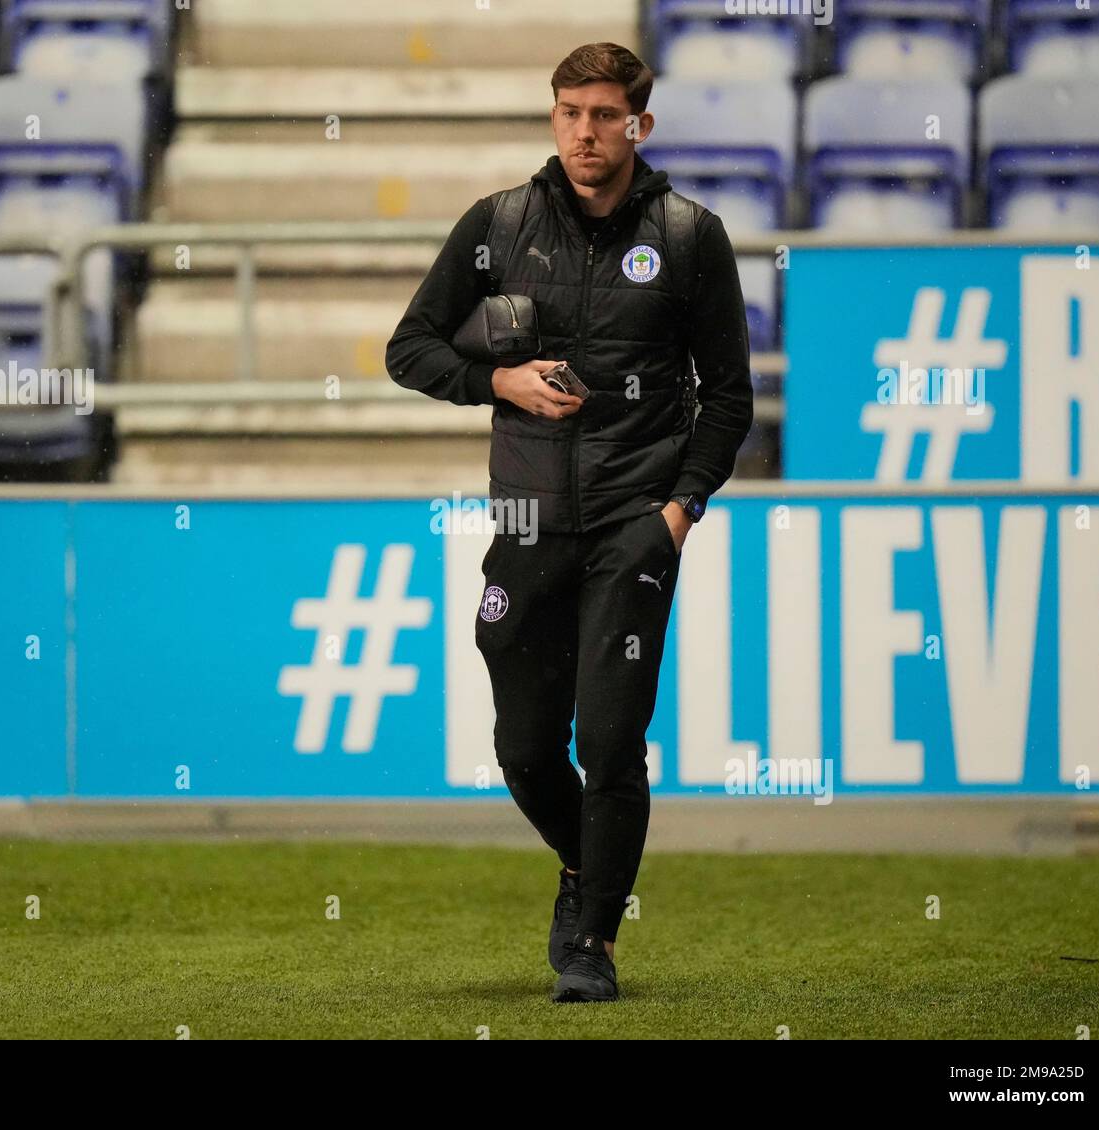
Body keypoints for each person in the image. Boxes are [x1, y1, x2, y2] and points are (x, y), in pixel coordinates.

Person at [385, 42, 752, 1002]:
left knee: (613, 741)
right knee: (524, 748)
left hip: (635, 527)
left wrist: (678, 513)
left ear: (641, 122)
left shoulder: (688, 235)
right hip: (525, 522)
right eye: (568, 113)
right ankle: (585, 865)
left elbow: (730, 399)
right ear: (553, 118)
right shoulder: (498, 223)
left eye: (603, 114)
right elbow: (408, 348)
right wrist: (496, 379)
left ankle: (592, 946)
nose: (585, 132)